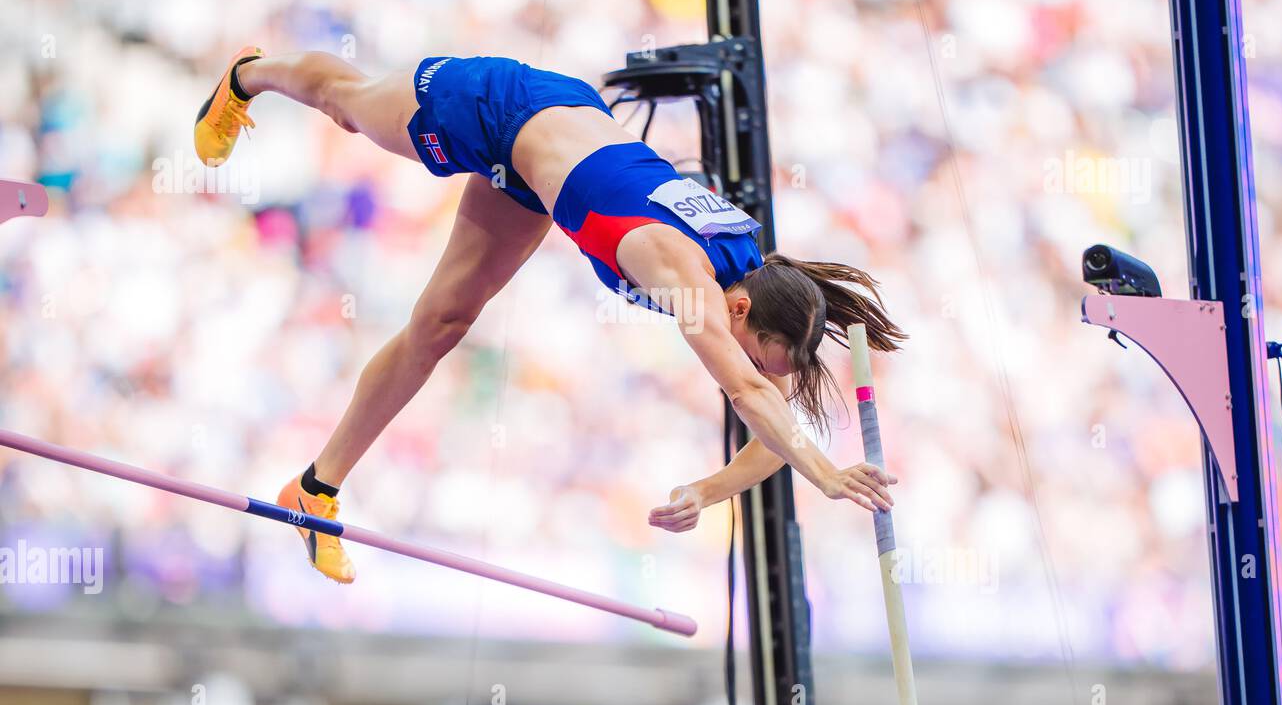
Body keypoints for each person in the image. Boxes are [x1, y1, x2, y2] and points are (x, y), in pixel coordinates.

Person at [195, 47, 905, 583]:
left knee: (441, 325)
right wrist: (826, 474)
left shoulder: (747, 278)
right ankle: (249, 75)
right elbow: (752, 396)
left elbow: (765, 425)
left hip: (538, 173)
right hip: (494, 107)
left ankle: (314, 488)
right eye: (756, 351)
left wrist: (704, 490)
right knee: (346, 104)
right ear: (742, 310)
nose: (751, 365)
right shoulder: (685, 273)